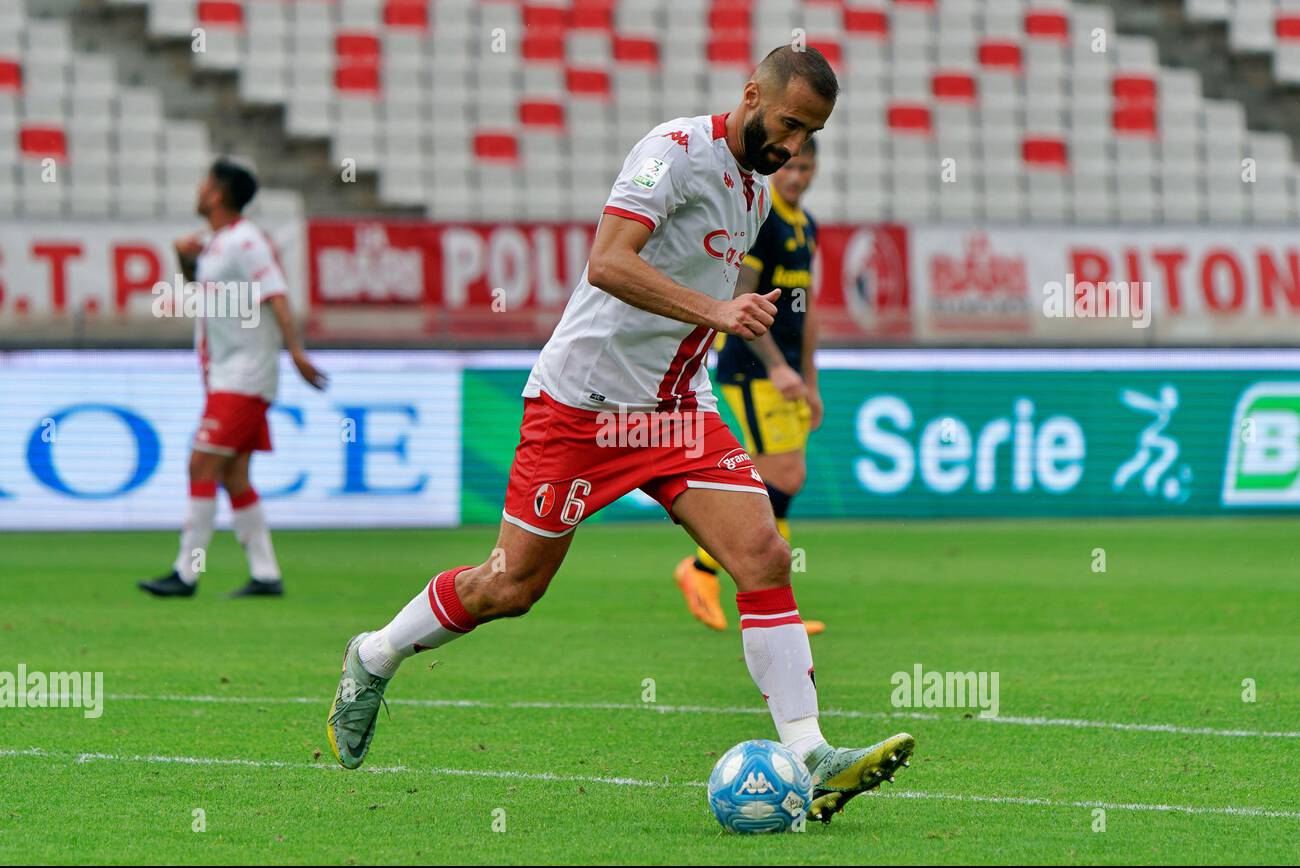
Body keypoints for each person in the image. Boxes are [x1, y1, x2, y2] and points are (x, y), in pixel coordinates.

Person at [327, 48, 913, 824]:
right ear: (751, 96)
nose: (793, 146)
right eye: (788, 125)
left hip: (674, 411)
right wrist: (719, 315)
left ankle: (811, 756)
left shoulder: (755, 195)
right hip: (582, 408)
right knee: (510, 586)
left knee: (764, 554)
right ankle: (374, 657)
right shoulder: (671, 153)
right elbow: (607, 264)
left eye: (808, 135)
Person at [138, 159, 327, 599]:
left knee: (200, 463)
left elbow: (276, 295)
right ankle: (266, 575)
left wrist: (295, 352)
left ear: (217, 194)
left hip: (245, 375)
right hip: (225, 372)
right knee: (235, 474)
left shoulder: (247, 241)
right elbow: (201, 293)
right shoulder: (217, 243)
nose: (200, 190)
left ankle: (185, 573)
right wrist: (183, 260)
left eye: (205, 184)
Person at [674, 137, 826, 634]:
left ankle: (774, 606)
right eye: (790, 165)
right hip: (752, 365)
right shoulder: (765, 222)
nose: (796, 176)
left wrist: (810, 378)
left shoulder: (807, 228)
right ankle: (701, 571)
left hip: (784, 372)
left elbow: (807, 311)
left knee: (773, 480)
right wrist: (779, 367)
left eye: (805, 167)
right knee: (784, 477)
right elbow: (743, 295)